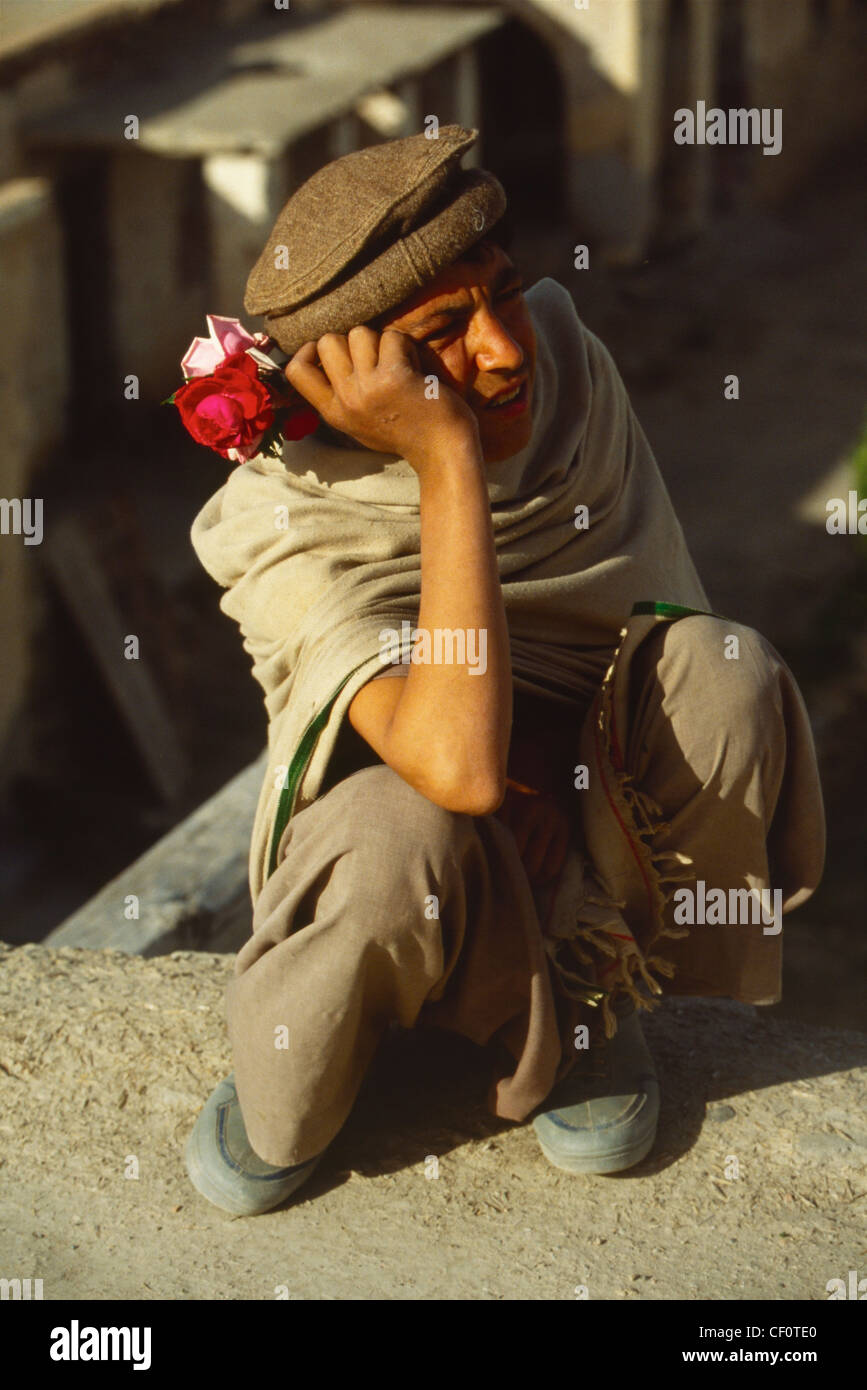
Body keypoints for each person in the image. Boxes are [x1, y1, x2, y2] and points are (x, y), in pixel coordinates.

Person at [184, 125, 825, 1217]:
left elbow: (631, 612)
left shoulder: (570, 368)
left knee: (726, 672)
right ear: (349, 384)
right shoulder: (276, 520)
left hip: (567, 806)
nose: (506, 347)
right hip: (405, 835)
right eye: (441, 333)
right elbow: (455, 775)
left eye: (505, 293)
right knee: (405, 833)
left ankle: (593, 981)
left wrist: (551, 779)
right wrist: (445, 458)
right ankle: (334, 1037)